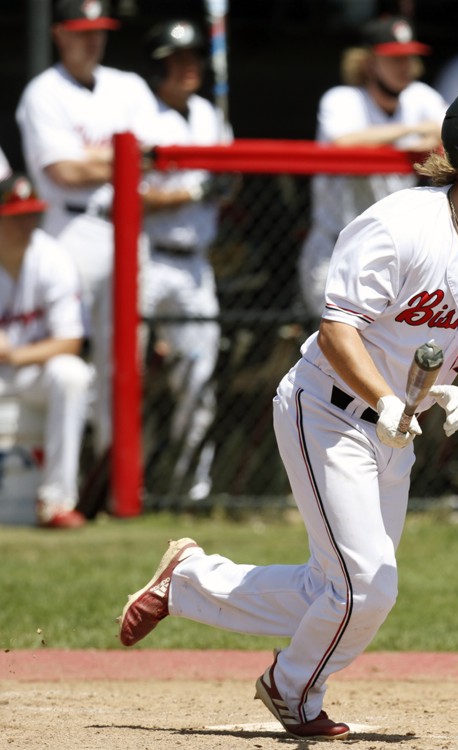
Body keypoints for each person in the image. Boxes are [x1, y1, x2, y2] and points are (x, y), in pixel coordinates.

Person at [117, 85, 458, 739]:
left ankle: (187, 581)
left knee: (333, 591)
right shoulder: (400, 225)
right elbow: (337, 332)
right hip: (325, 409)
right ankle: (292, 689)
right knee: (368, 585)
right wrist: (383, 400)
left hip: (396, 430)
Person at [15, 0, 156, 461]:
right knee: (65, 350)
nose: (92, 39)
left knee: (125, 359)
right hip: (69, 227)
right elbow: (63, 173)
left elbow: (154, 156)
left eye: (98, 29)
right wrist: (125, 157)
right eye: (80, 30)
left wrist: (96, 157)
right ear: (59, 33)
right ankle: (63, 472)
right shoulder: (43, 92)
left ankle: (118, 471)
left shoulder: (128, 85)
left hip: (128, 224)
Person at [138, 19, 233, 503]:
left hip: (196, 262)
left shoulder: (210, 116)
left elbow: (231, 186)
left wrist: (225, 183)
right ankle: (123, 482)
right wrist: (195, 189)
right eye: (176, 61)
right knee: (129, 371)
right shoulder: (140, 114)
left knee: (199, 376)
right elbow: (130, 198)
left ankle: (192, 489)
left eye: (193, 58)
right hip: (146, 257)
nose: (188, 68)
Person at [297, 14, 447, 316]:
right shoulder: (342, 99)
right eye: (393, 59)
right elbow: (345, 142)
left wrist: (422, 135)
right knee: (337, 351)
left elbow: (453, 130)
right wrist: (408, 132)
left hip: (393, 251)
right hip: (337, 247)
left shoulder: (420, 97)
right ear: (368, 62)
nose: (405, 66)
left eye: (408, 57)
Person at [0, 174, 91, 529]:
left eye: (31, 214)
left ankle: (55, 502)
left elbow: (71, 341)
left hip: (29, 370)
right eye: (15, 217)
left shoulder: (52, 258)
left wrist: (13, 355)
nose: (27, 224)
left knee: (71, 373)